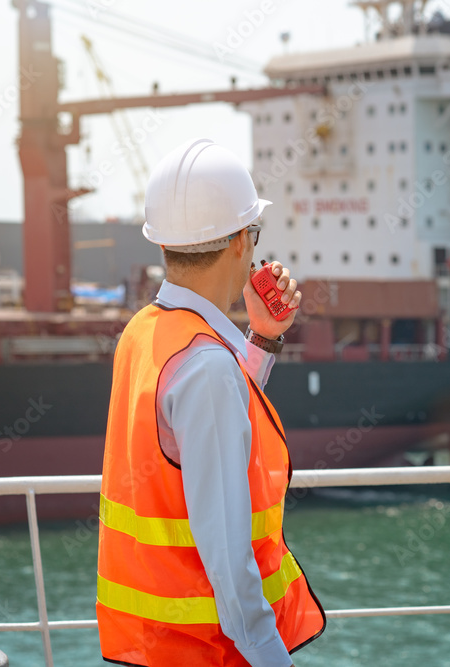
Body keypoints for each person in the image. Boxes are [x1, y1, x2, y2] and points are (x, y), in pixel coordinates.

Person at [96, 138, 325, 666]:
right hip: (209, 651)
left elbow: (197, 431)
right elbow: (228, 557)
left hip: (152, 645)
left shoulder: (143, 333)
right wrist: (272, 657)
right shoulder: (207, 366)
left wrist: (262, 338)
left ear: (163, 243)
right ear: (242, 241)